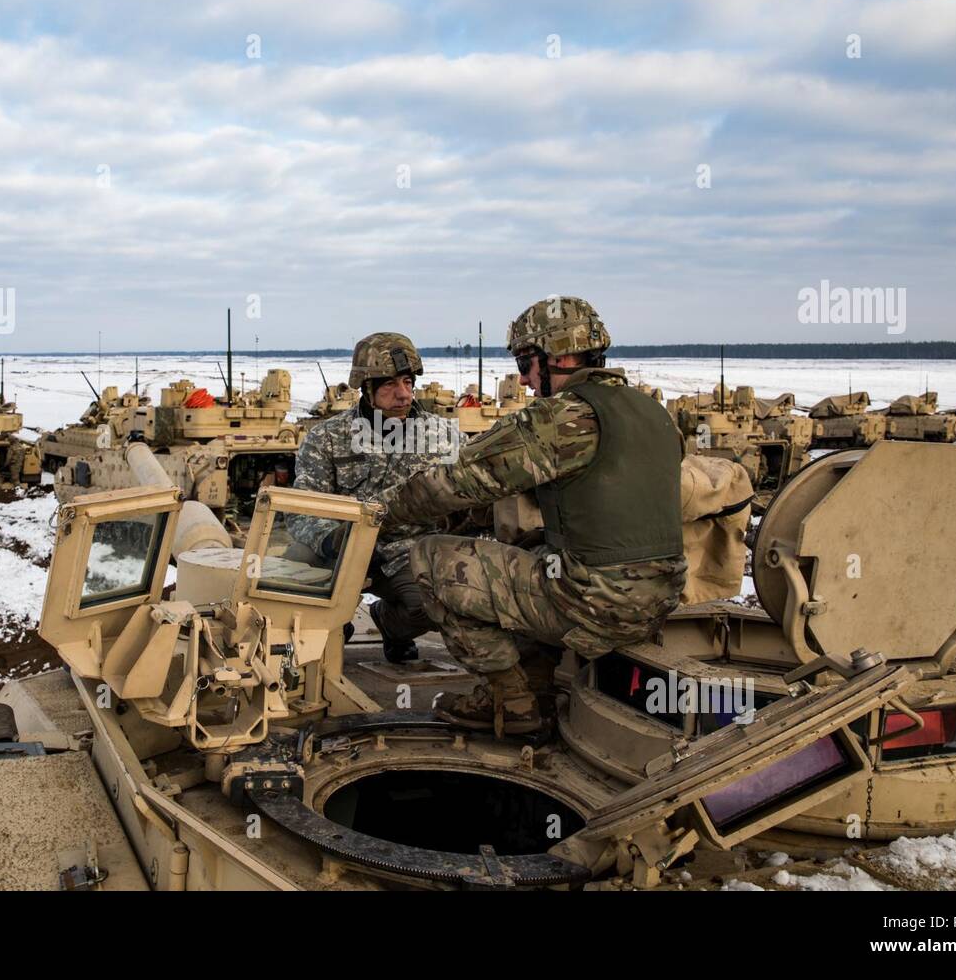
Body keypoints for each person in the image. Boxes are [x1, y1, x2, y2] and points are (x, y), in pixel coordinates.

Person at [379, 297, 687, 735]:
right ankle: (538, 681)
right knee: (530, 552)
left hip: (594, 603)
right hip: (659, 597)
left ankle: (510, 701)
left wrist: (384, 513)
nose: (522, 379)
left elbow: (457, 481)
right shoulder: (655, 414)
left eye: (527, 362)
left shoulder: (560, 417)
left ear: (558, 355)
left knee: (431, 558)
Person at [286, 333, 465, 663]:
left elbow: (467, 493)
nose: (403, 395)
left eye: (408, 382)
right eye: (389, 385)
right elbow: (300, 509)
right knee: (295, 560)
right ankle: (324, 627)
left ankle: (389, 624)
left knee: (434, 603)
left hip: (403, 552)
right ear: (366, 389)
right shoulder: (327, 438)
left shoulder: (443, 437)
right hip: (340, 549)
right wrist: (329, 540)